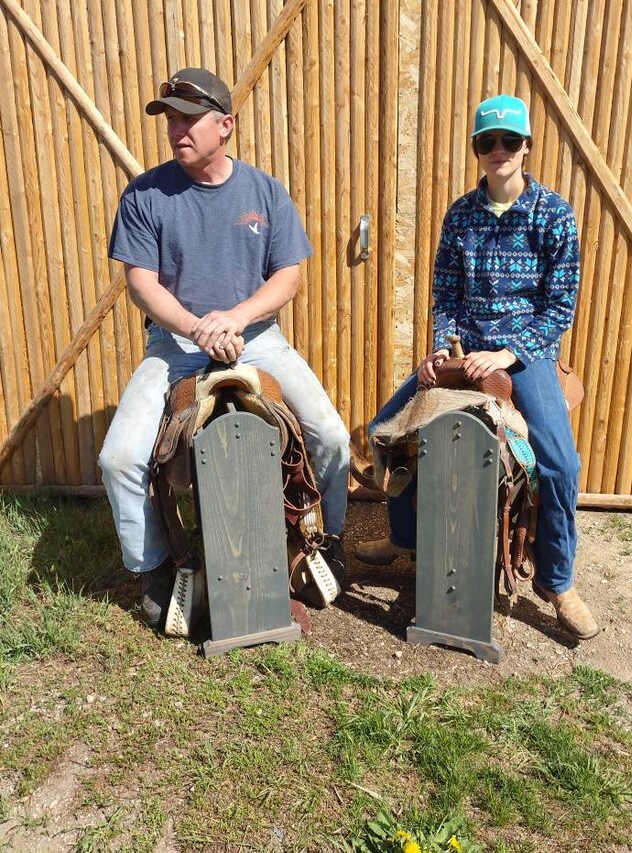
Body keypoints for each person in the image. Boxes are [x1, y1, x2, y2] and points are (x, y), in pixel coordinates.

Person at [99, 67, 350, 628]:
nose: (176, 129)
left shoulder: (264, 191)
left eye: (189, 118)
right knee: (118, 459)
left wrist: (234, 318)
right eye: (170, 118)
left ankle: (325, 544)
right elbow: (141, 283)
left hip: (259, 340)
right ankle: (156, 566)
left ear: (225, 126)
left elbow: (287, 276)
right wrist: (197, 327)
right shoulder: (145, 195)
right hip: (174, 347)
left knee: (331, 435)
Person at [354, 94, 597, 640]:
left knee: (559, 462)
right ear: (476, 151)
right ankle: (405, 536)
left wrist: (508, 353)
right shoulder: (460, 215)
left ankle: (558, 582)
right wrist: (445, 345)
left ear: (527, 147)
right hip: (466, 350)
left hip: (523, 354)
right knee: (387, 432)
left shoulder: (554, 215)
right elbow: (445, 293)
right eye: (488, 142)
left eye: (510, 141)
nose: (499, 151)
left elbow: (558, 307)